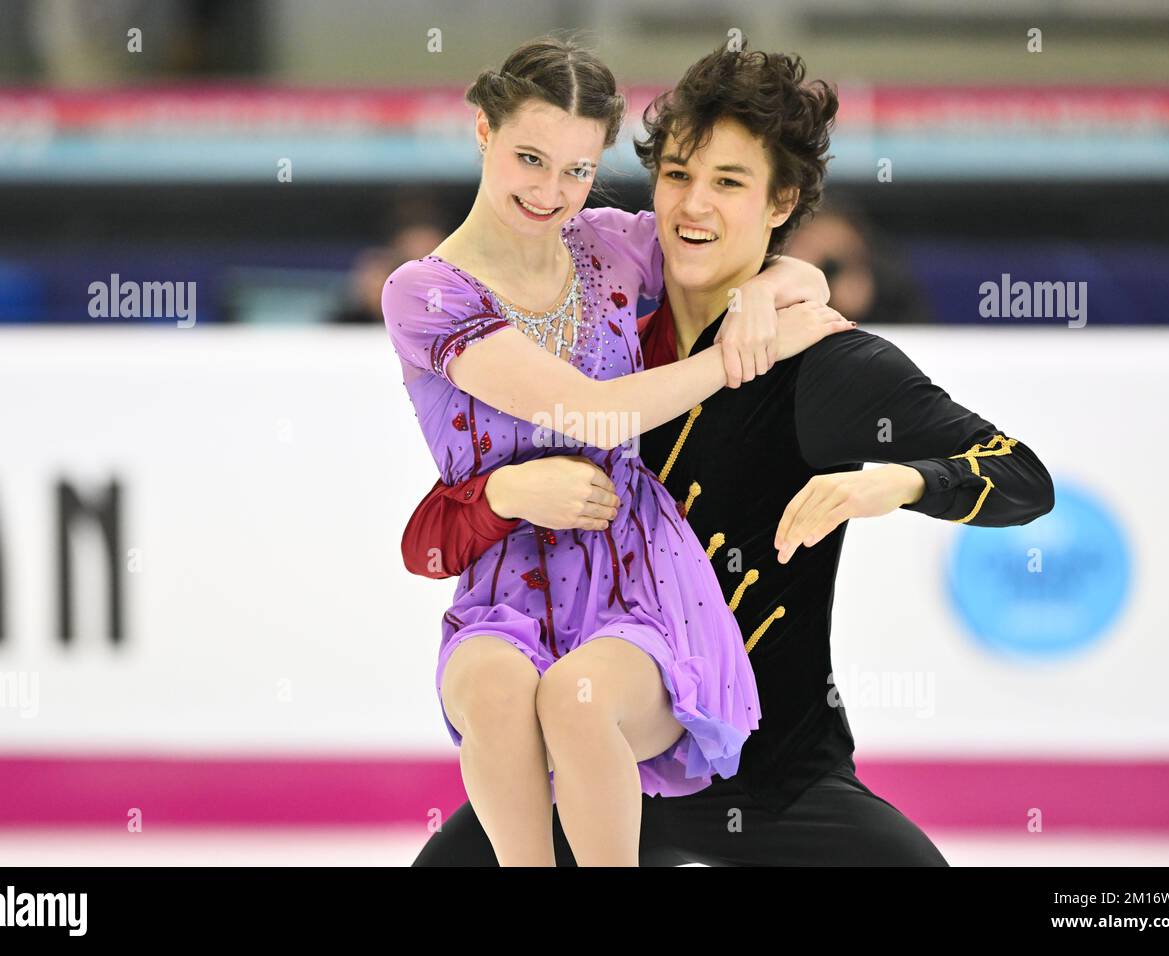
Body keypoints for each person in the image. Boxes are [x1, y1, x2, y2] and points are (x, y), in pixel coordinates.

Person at [402, 42, 1056, 866]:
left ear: (782, 201)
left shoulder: (821, 364)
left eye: (729, 182)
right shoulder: (603, 340)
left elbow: (1021, 476)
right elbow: (437, 526)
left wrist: (891, 482)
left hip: (773, 779)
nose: (692, 206)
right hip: (598, 769)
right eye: (677, 175)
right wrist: (504, 497)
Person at [379, 35, 851, 867]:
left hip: (631, 575)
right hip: (506, 584)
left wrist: (758, 302)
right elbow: (589, 413)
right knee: (490, 689)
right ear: (482, 129)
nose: (551, 192)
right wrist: (731, 360)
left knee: (579, 696)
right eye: (531, 157)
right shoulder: (426, 293)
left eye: (577, 170)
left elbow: (788, 271)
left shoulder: (608, 244)